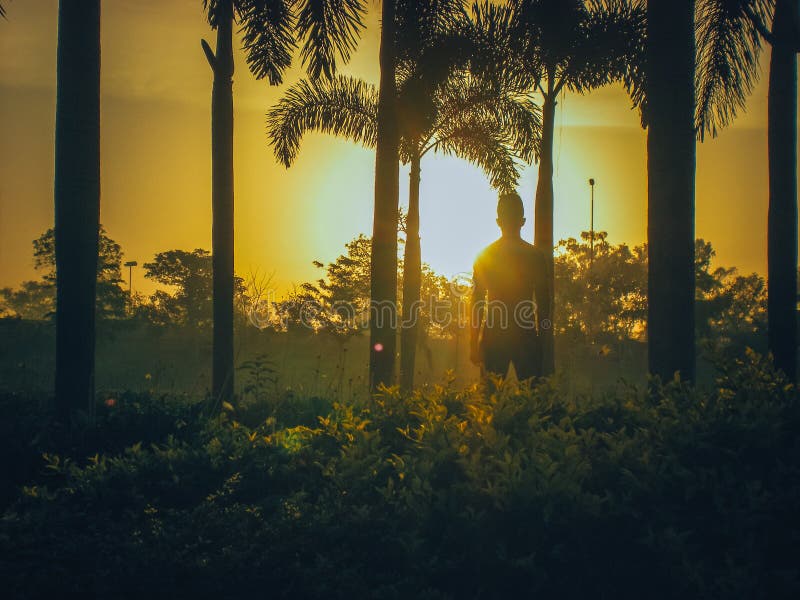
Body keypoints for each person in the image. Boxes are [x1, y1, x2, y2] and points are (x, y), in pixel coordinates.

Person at [470, 192, 551, 382]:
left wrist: (473, 342)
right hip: (526, 334)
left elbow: (477, 302)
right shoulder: (535, 257)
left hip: (494, 335)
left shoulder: (485, 256)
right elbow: (544, 303)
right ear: (523, 221)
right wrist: (543, 341)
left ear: (498, 221)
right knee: (534, 400)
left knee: (490, 402)